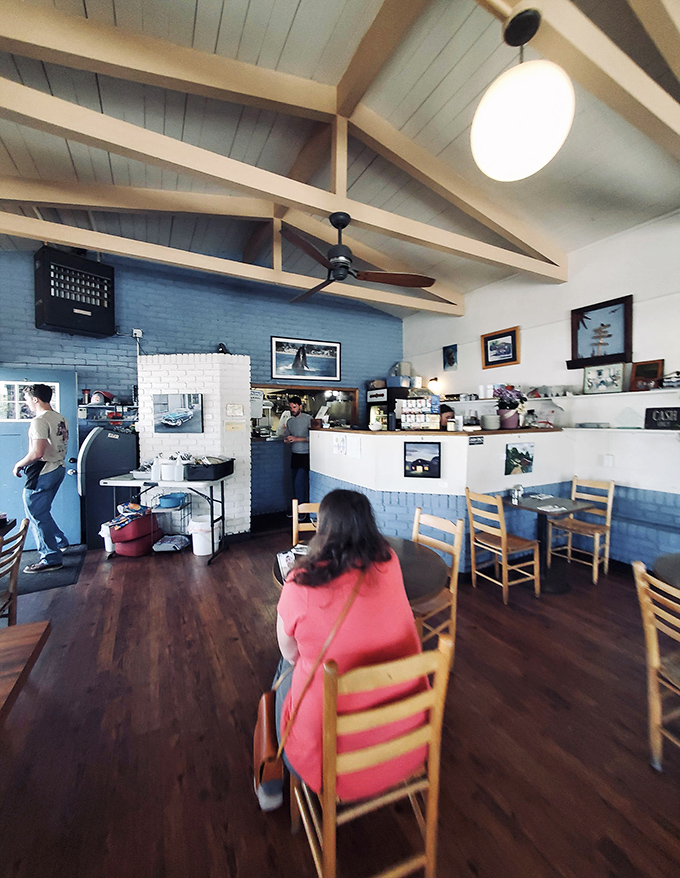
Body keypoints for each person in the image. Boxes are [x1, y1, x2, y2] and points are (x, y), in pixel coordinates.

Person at [256, 489, 427, 811]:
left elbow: (290, 653)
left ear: (323, 528)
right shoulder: (389, 562)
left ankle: (271, 777)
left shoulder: (301, 581)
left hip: (329, 756)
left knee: (284, 667)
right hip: (408, 735)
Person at [12, 384, 70, 573]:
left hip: (43, 470)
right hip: (58, 468)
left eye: (27, 398)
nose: (26, 402)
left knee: (36, 514)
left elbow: (38, 452)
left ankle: (50, 558)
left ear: (35, 399)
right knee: (42, 511)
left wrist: (19, 464)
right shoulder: (60, 418)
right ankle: (60, 541)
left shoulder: (39, 420)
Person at [280, 395, 312, 512]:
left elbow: (313, 437)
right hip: (295, 455)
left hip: (305, 455)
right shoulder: (290, 421)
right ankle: (295, 509)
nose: (292, 410)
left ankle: (302, 511)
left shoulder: (309, 419)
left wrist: (297, 439)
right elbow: (287, 436)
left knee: (300, 483)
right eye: (291, 408)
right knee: (293, 483)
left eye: (294, 407)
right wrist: (287, 440)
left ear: (300, 406)